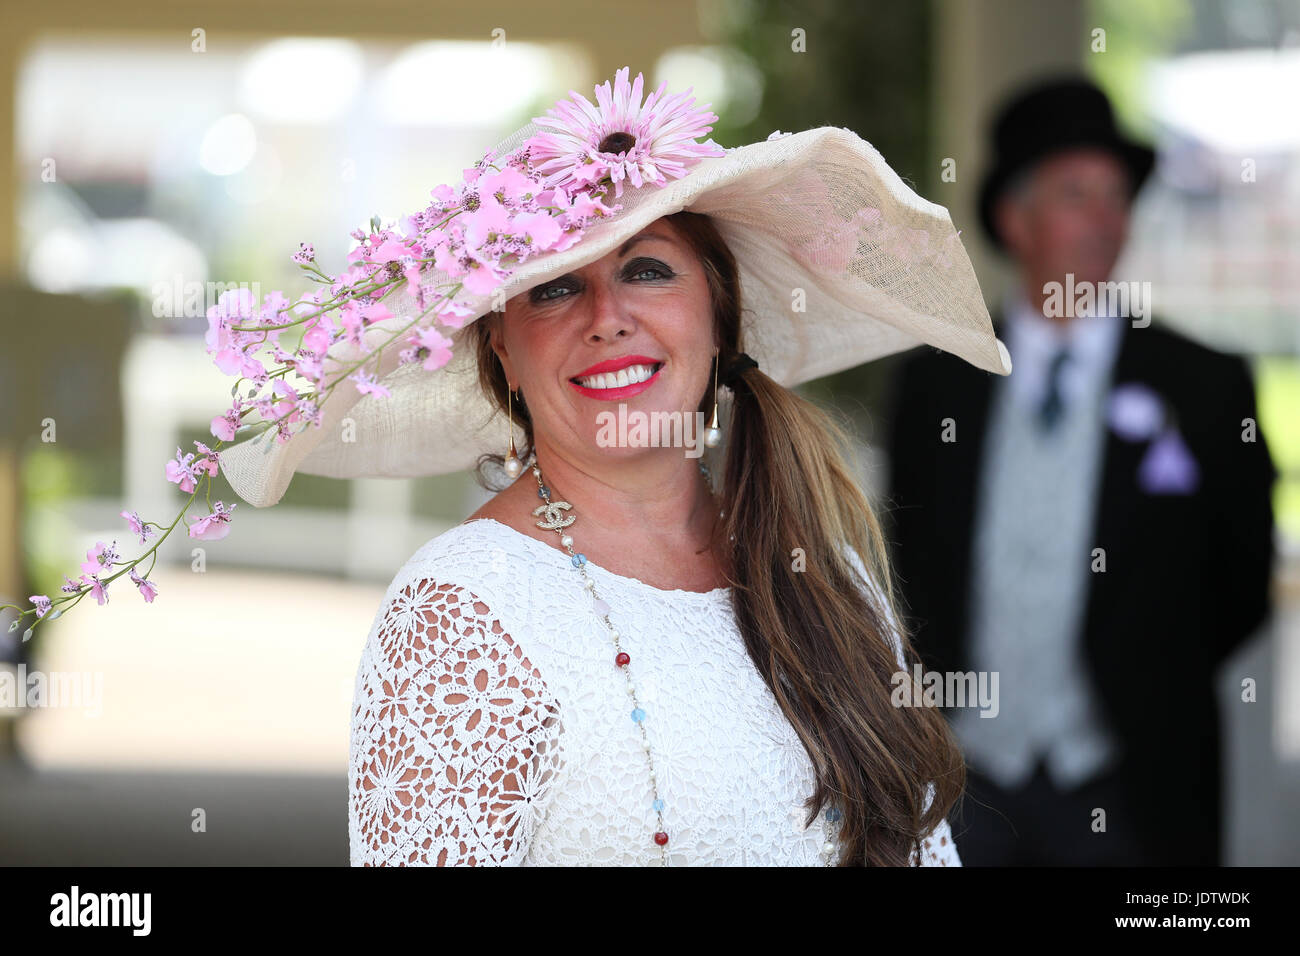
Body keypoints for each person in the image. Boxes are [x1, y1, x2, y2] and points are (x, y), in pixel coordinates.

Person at [218, 68, 1015, 866]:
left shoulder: (828, 575)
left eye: (647, 270)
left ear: (718, 314)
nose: (607, 319)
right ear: (504, 350)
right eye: (555, 287)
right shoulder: (462, 618)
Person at [885, 75, 1279, 866]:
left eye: (1117, 197)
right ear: (1014, 218)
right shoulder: (938, 381)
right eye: (1077, 194)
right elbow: (903, 559)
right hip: (961, 778)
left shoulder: (1205, 385)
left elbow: (1242, 583)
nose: (1105, 220)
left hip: (1132, 786)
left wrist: (1150, 678)